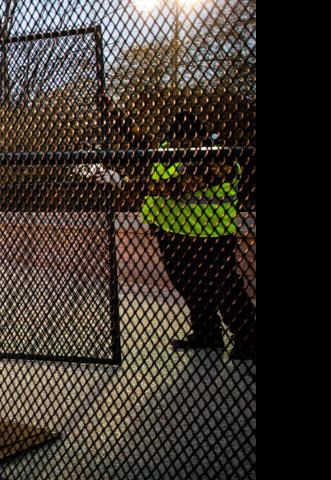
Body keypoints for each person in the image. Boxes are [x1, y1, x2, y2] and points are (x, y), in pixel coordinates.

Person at [98, 103, 255, 358]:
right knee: (189, 285)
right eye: (175, 142)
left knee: (224, 287)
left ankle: (248, 337)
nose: (178, 148)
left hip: (211, 237)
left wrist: (123, 183)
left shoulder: (219, 158)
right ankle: (207, 333)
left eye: (183, 142)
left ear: (197, 138)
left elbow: (178, 187)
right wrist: (113, 111)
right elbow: (137, 140)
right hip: (173, 234)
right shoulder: (168, 151)